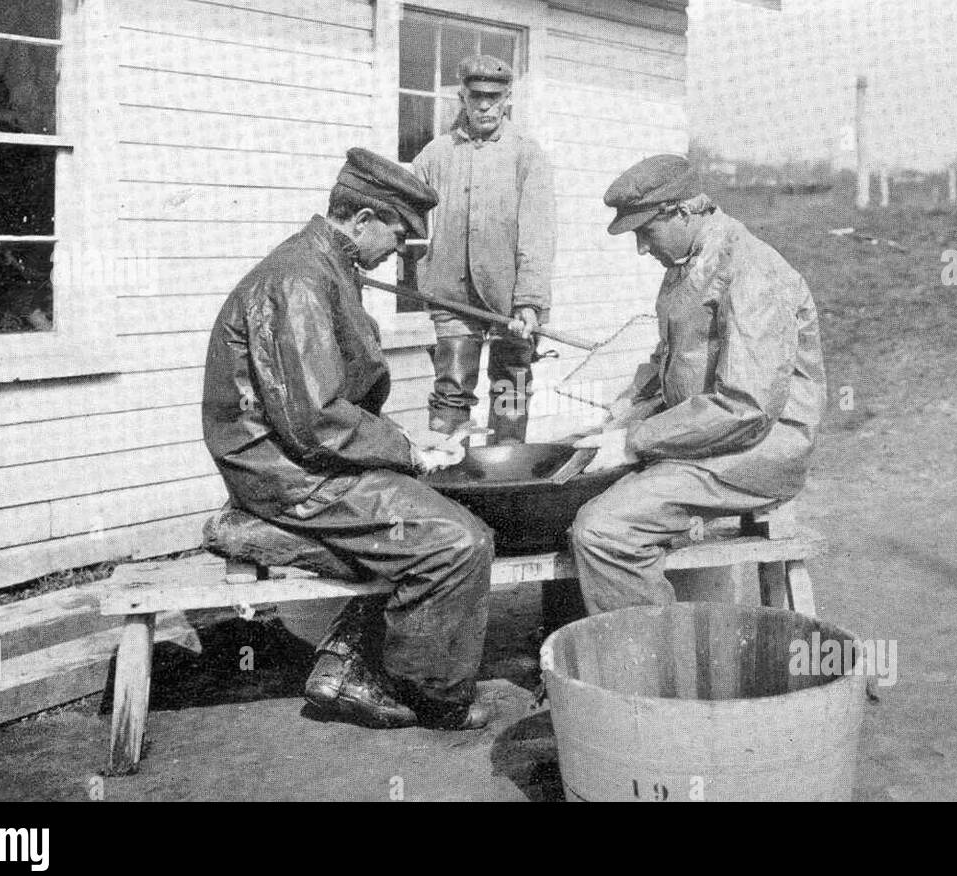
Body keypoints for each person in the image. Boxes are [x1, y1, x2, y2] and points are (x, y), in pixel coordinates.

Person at [201, 148, 495, 731]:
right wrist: (406, 450)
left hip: (305, 462)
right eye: (398, 233)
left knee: (450, 515)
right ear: (360, 219)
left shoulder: (326, 267)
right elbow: (316, 420)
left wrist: (403, 448)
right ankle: (424, 690)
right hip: (288, 475)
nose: (400, 250)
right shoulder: (300, 279)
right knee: (457, 541)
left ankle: (354, 661)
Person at [568, 155, 827, 614]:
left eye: (646, 231)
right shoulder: (688, 263)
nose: (641, 248)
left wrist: (636, 441)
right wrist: (630, 408)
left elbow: (744, 409)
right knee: (571, 479)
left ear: (685, 211)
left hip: (754, 451)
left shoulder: (753, 272)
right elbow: (674, 357)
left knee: (603, 531)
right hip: (709, 441)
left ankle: (657, 671)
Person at [411, 53, 556, 443]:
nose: (485, 105)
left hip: (511, 299)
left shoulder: (526, 155)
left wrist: (529, 300)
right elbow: (403, 210)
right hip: (452, 294)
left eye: (494, 96)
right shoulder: (436, 154)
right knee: (451, 388)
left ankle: (506, 469)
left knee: (511, 387)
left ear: (507, 98)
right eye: (476, 96)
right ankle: (445, 473)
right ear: (462, 97)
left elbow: (538, 235)